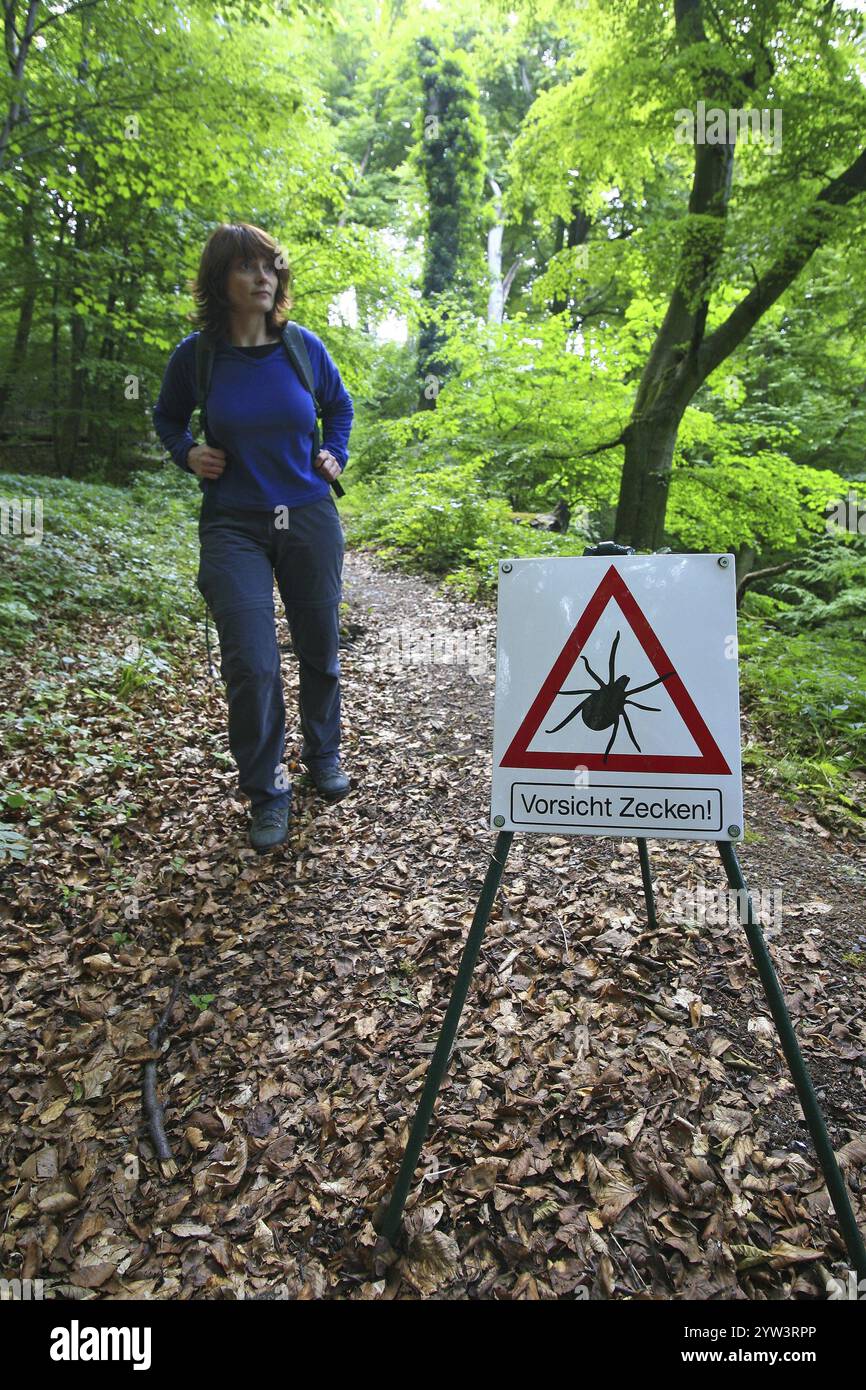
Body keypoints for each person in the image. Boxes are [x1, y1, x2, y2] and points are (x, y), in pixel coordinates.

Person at [152, 221, 355, 850]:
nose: (264, 277)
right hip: (233, 524)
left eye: (271, 267)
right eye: (248, 267)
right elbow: (165, 416)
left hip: (308, 516)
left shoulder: (303, 348)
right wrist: (188, 452)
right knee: (251, 661)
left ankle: (323, 755)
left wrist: (334, 453)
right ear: (222, 280)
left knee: (319, 646)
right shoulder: (198, 356)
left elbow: (339, 408)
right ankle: (268, 790)